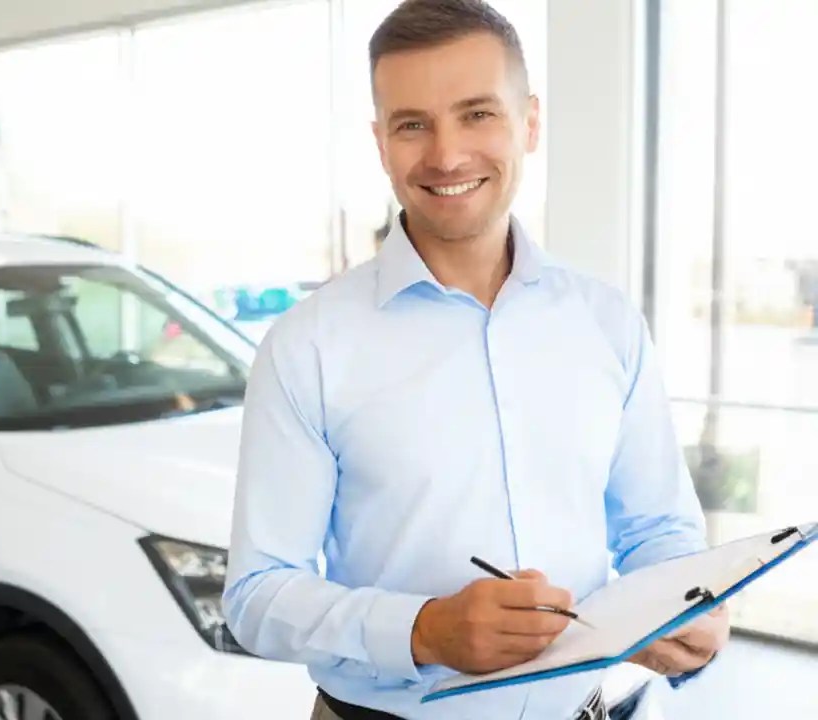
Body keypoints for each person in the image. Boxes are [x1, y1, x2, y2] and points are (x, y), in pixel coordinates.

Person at [220, 1, 730, 719]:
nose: (446, 154)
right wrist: (423, 630)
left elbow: (657, 528)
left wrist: (683, 601)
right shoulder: (307, 346)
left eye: (477, 114)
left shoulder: (607, 323)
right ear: (380, 143)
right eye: (412, 124)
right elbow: (256, 596)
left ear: (530, 122)